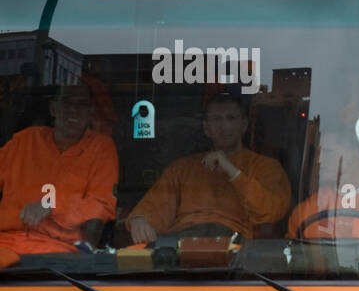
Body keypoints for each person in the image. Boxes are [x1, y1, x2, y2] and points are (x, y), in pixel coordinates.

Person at [128, 92, 290, 242]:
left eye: (231, 118)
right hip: (183, 244)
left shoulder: (266, 166)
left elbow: (271, 212)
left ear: (244, 125)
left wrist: (232, 172)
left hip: (235, 247)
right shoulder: (182, 168)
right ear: (206, 128)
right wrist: (140, 219)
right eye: (217, 119)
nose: (224, 126)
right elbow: (155, 207)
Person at [0, 79, 118, 258]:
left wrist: (53, 204)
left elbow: (102, 206)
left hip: (56, 251)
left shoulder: (101, 148)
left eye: (81, 105)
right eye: (67, 102)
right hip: (5, 243)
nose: (73, 110)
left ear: (90, 112)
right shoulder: (25, 141)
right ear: (53, 108)